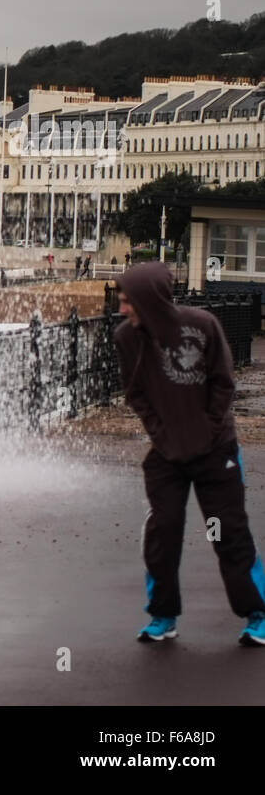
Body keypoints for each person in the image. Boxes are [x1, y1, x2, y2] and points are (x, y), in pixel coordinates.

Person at [114, 262, 265, 645]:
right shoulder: (127, 338)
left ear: (148, 299)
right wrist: (161, 434)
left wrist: (207, 431)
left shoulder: (202, 325)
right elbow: (137, 395)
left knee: (227, 531)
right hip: (167, 452)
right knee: (163, 531)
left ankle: (258, 615)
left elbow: (223, 383)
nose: (121, 309)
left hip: (216, 451)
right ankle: (163, 616)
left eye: (127, 301)